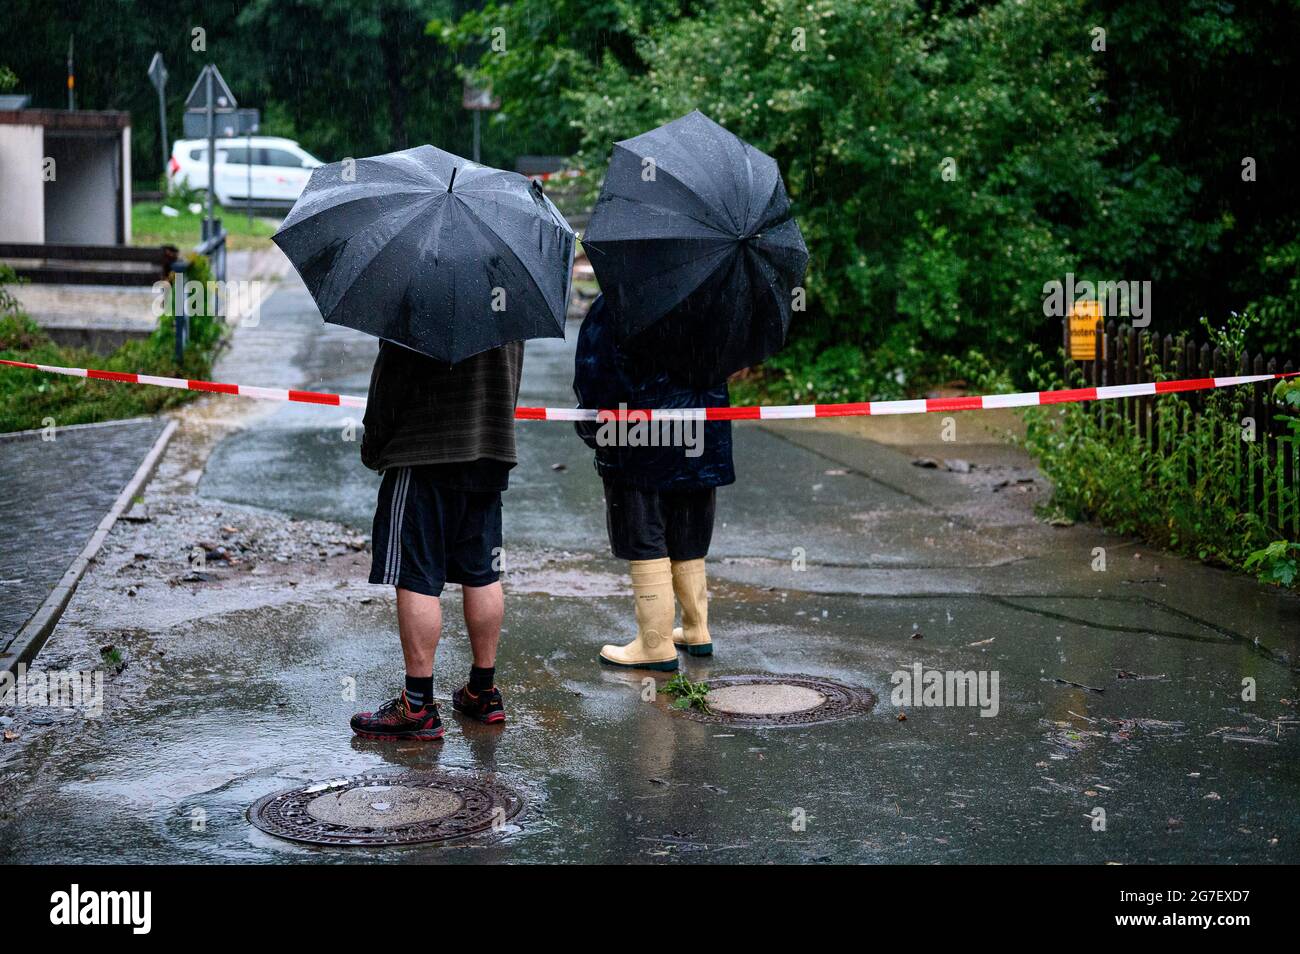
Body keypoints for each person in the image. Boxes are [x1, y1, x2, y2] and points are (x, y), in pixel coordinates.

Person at [348, 339, 522, 740]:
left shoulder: (418, 288)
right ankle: (483, 691)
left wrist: (376, 443)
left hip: (425, 448)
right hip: (490, 449)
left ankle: (418, 706)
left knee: (416, 575)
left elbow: (392, 375)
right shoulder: (513, 290)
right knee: (481, 572)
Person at [573, 294, 734, 670]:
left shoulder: (617, 304)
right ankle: (696, 628)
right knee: (689, 523)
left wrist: (594, 431)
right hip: (701, 435)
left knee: (643, 531)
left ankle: (655, 643)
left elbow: (596, 376)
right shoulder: (712, 302)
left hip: (637, 440)